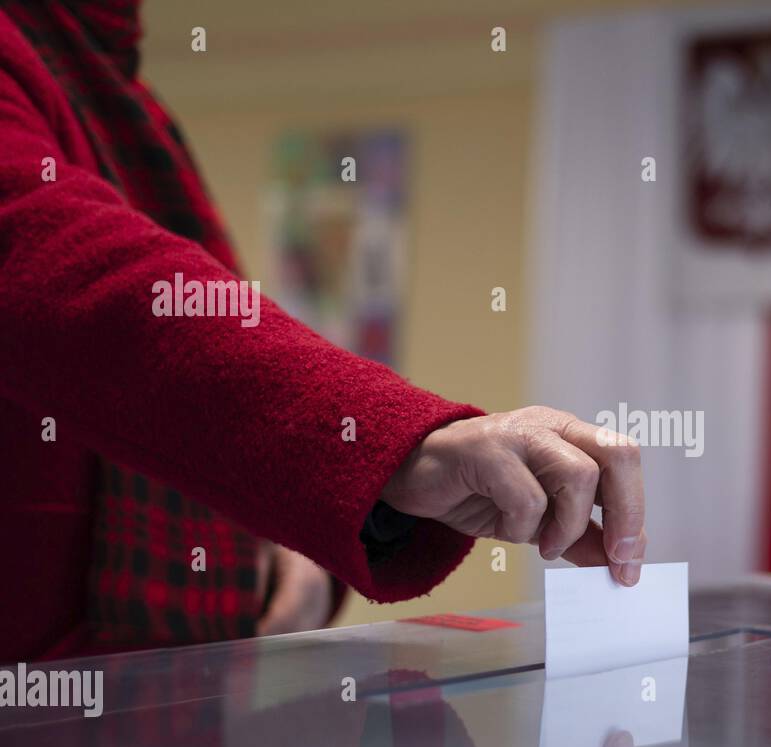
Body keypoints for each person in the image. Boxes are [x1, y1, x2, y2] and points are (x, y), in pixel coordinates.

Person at [0, 1, 645, 662]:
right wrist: (396, 442)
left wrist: (290, 541)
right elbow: (76, 276)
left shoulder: (114, 84)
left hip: (166, 712)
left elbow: (167, 414)